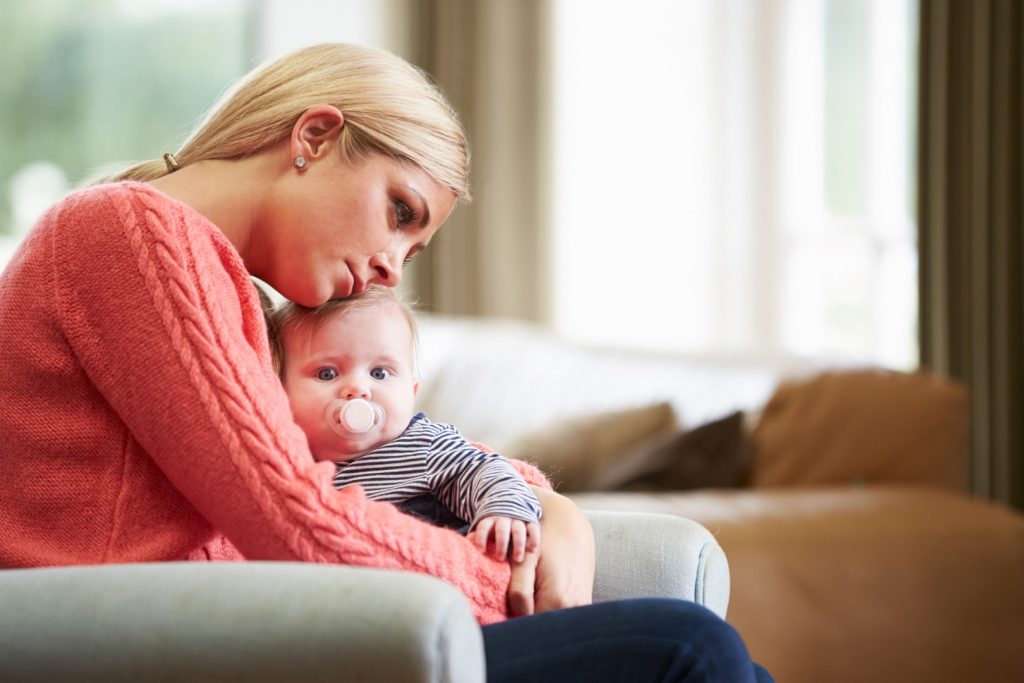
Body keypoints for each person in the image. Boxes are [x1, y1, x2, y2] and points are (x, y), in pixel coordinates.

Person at [0, 42, 772, 681]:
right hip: (149, 646)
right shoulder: (126, 234)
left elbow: (393, 449)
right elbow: (293, 517)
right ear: (314, 136)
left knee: (716, 659)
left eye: (414, 243)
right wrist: (501, 574)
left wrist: (542, 506)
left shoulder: (240, 304)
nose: (393, 269)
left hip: (250, 632)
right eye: (400, 211)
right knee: (689, 649)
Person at [270, 286, 541, 562]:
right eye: (327, 373)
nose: (358, 388)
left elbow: (484, 469)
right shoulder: (288, 463)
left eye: (379, 373)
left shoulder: (424, 445)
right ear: (281, 389)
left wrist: (502, 509)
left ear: (411, 393)